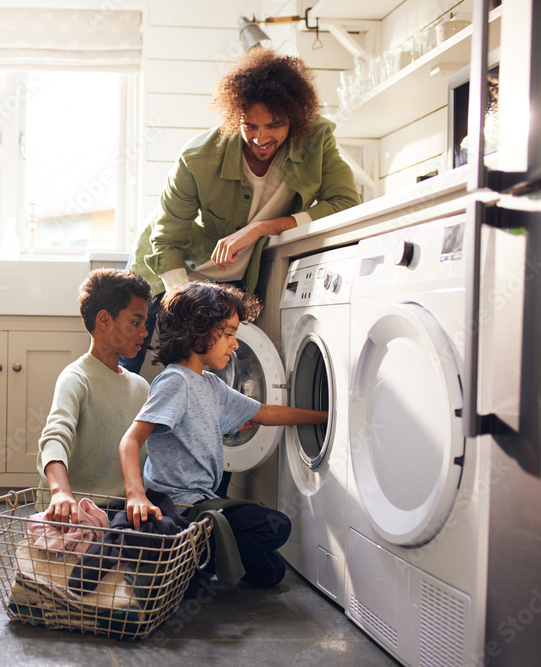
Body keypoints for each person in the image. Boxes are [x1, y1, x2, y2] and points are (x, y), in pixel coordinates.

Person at [122, 47, 360, 375]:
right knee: (126, 368)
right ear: (237, 117)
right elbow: (165, 240)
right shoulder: (198, 157)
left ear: (295, 117)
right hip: (166, 268)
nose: (261, 138)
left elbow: (345, 201)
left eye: (274, 125)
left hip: (231, 279)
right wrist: (183, 300)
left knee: (222, 372)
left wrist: (261, 228)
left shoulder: (316, 139)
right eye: (250, 126)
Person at [119, 281, 327, 587]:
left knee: (272, 572)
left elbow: (265, 414)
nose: (235, 344)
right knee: (277, 527)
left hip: (204, 502)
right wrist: (136, 495)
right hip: (179, 506)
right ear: (196, 331)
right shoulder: (175, 382)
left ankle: (193, 559)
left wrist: (328, 417)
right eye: (228, 333)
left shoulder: (212, 386)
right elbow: (130, 441)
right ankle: (185, 552)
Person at [37, 269, 153, 524]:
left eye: (145, 323)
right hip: (76, 512)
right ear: (103, 320)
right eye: (136, 322)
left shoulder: (141, 387)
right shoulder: (76, 378)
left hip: (123, 511)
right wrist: (60, 493)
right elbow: (55, 436)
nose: (145, 332)